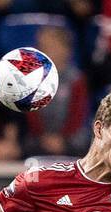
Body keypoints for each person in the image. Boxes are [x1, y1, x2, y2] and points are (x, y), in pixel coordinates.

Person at [23, 24, 91, 157]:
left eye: (51, 46)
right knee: (25, 143)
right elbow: (31, 114)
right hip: (40, 139)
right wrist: (44, 138)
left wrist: (62, 140)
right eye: (42, 46)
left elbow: (78, 114)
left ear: (66, 50)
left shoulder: (76, 79)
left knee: (83, 140)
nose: (45, 50)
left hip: (69, 138)